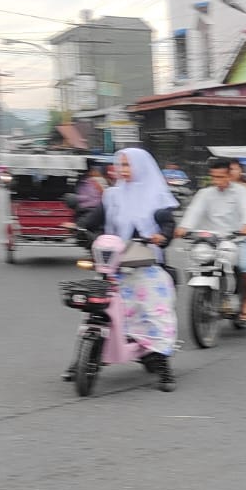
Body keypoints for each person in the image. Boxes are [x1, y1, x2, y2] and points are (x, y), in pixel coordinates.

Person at [76, 147, 179, 391]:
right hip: (114, 265)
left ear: (141, 166)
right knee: (96, 306)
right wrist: (81, 229)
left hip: (146, 264)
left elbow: (168, 225)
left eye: (128, 165)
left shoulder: (157, 196)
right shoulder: (112, 195)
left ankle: (164, 368)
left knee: (155, 314)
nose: (122, 170)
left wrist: (161, 237)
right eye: (120, 165)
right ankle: (81, 360)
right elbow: (93, 221)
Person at [175, 157, 246, 322]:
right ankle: (209, 298)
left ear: (229, 176)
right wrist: (184, 227)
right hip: (211, 240)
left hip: (237, 239)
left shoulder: (242, 192)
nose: (217, 181)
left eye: (221, 177)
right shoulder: (205, 193)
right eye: (214, 177)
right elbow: (194, 211)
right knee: (196, 263)